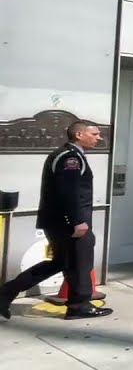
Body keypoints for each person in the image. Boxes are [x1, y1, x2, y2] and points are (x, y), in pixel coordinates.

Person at [0, 121, 112, 320]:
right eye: (94, 133)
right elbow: (69, 192)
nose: (99, 137)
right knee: (80, 263)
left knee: (60, 262)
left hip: (60, 221)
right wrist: (77, 220)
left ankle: (5, 293)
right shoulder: (70, 158)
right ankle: (79, 306)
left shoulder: (69, 155)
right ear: (79, 134)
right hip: (69, 223)